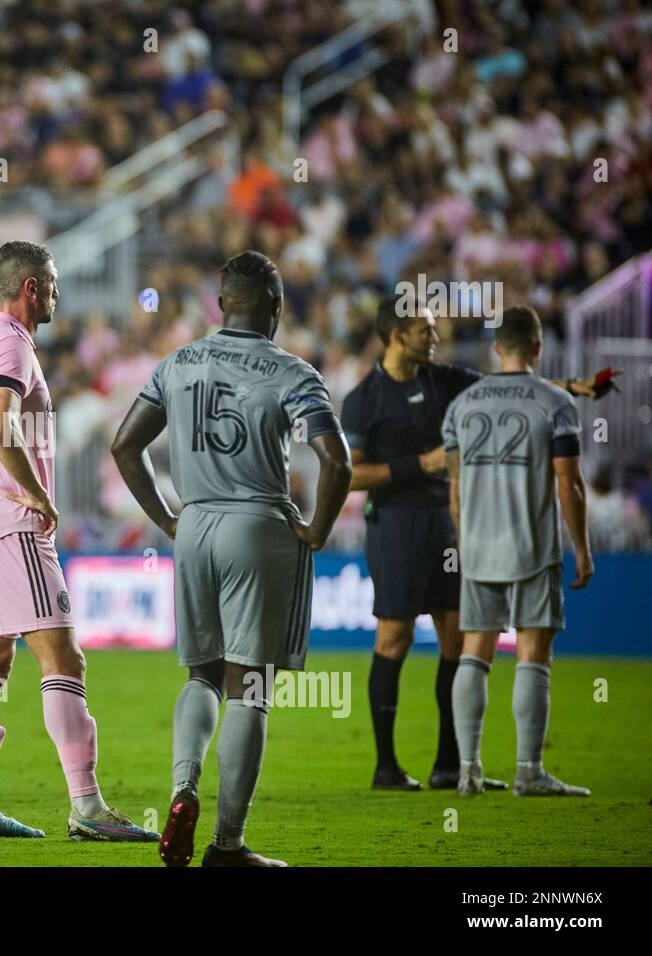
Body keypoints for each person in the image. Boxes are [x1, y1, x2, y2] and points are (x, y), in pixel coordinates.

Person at [112, 250, 352, 867]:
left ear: (222, 306)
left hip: (194, 526)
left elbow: (124, 445)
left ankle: (182, 786)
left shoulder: (179, 362)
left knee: (201, 674)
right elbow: (337, 459)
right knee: (251, 685)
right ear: (276, 306)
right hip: (257, 526)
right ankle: (228, 845)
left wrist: (168, 517)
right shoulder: (291, 371)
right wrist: (318, 529)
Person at [0, 240, 158, 843]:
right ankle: (87, 806)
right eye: (52, 283)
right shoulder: (10, 345)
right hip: (12, 529)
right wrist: (32, 493)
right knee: (63, 661)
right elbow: (1, 422)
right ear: (30, 287)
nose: (58, 293)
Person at [341, 294, 615, 791]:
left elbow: (512, 388)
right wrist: (416, 466)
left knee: (457, 638)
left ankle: (451, 765)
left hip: (448, 525)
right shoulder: (364, 399)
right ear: (398, 335)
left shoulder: (447, 381)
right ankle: (386, 767)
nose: (435, 335)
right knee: (393, 638)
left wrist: (575, 387)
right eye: (425, 328)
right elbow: (350, 475)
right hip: (396, 526)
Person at [443, 305, 592, 797]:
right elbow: (568, 484)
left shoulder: (461, 405)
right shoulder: (554, 402)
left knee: (475, 652)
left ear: (495, 348)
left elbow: (455, 487)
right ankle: (528, 771)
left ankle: (468, 768)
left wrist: (464, 541)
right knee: (534, 652)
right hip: (532, 543)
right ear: (538, 347)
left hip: (478, 544)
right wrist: (583, 550)